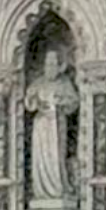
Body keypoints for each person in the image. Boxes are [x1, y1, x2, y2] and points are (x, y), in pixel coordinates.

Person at [26, 49, 79, 200]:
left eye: (54, 63)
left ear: (59, 65)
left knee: (56, 156)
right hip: (41, 125)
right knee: (41, 158)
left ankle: (58, 188)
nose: (50, 66)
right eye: (48, 63)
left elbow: (74, 101)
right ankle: (40, 190)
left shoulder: (64, 83)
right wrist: (36, 102)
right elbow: (28, 102)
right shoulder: (38, 83)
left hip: (57, 124)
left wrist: (60, 102)